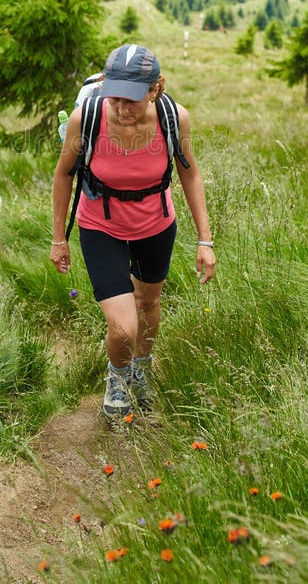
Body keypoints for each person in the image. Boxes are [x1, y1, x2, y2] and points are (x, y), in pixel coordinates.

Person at [50, 44, 215, 418]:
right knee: (124, 327)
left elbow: (190, 173)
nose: (122, 109)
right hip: (100, 226)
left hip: (156, 224)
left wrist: (205, 240)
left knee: (149, 304)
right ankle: (118, 376)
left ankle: (142, 370)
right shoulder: (86, 118)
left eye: (133, 100)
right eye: (115, 98)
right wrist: (59, 238)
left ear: (156, 88)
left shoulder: (175, 119)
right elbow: (64, 174)